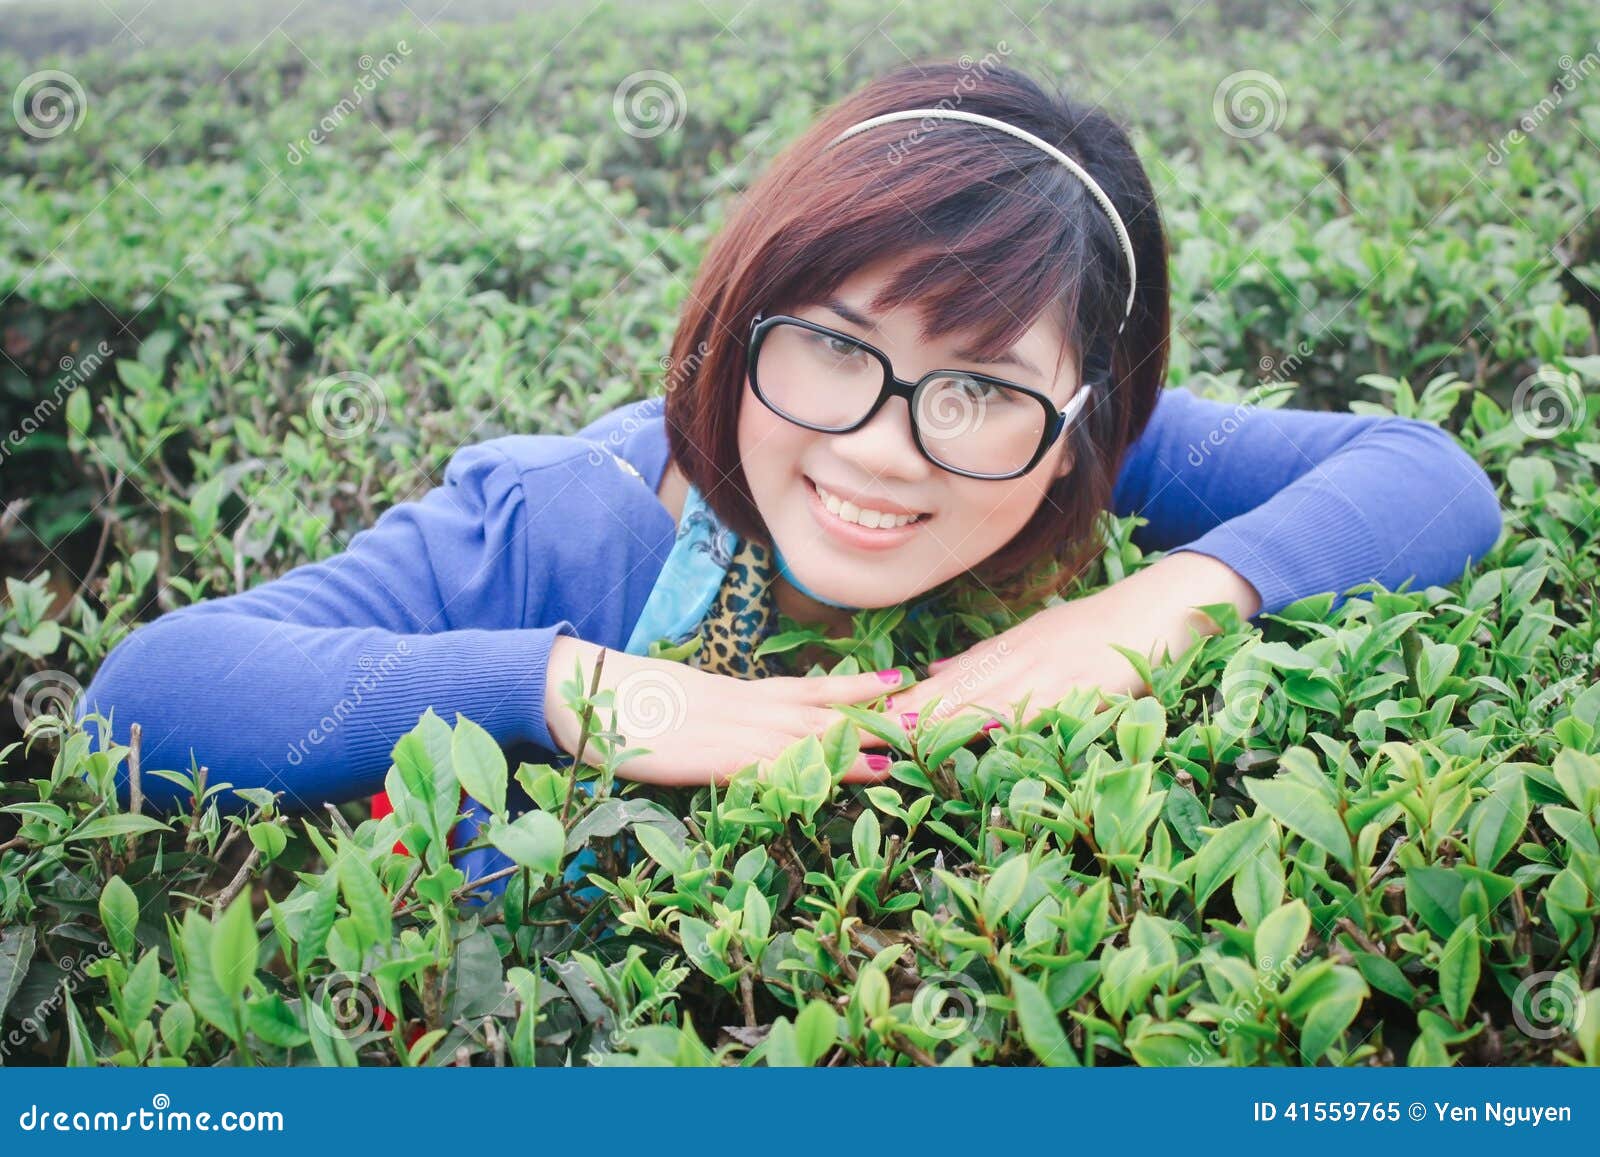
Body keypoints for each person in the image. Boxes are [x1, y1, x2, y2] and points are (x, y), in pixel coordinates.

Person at [79, 62, 1500, 901]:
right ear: (741, 313)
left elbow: (1429, 474)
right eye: (830, 346)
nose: (883, 445)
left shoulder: (1075, 447)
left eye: (980, 384)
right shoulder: (556, 514)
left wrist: (1147, 610)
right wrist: (581, 688)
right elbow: (145, 695)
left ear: (1085, 413)